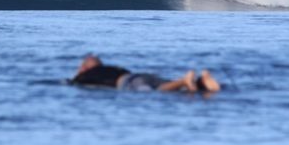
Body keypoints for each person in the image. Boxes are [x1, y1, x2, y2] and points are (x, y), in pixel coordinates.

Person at [70, 54, 221, 93]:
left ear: (84, 68)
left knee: (156, 93)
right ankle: (202, 82)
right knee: (167, 86)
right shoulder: (112, 68)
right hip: (139, 76)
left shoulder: (83, 76)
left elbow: (73, 82)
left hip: (129, 83)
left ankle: (184, 81)